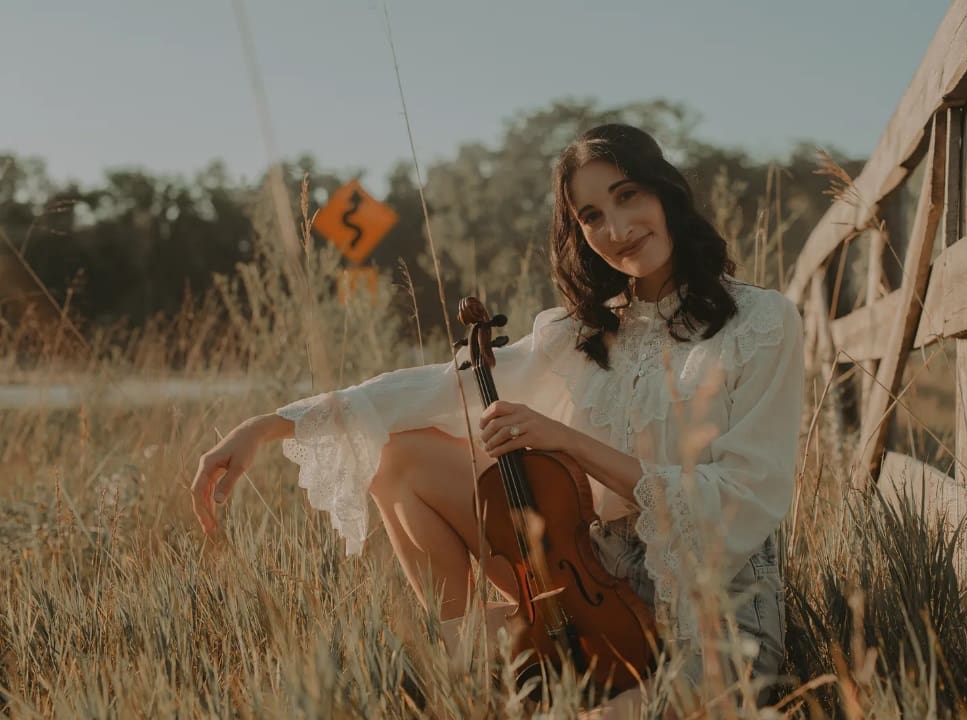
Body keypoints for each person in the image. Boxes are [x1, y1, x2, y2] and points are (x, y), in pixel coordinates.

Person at [191, 123, 804, 716]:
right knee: (399, 459)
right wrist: (271, 426)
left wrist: (566, 441)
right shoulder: (582, 333)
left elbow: (742, 498)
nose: (616, 228)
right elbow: (435, 388)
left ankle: (538, 682)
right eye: (590, 216)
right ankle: (483, 674)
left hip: (715, 603)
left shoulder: (758, 322)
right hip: (597, 582)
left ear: (665, 192)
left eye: (627, 196)